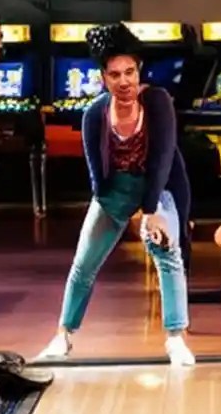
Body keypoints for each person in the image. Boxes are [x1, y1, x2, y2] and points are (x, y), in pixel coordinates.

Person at [36, 24, 196, 366]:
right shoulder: (94, 114)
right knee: (84, 263)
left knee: (168, 252)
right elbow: (97, 176)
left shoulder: (157, 102)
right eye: (114, 75)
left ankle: (176, 339)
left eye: (130, 72)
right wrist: (114, 213)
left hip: (159, 184)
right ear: (103, 78)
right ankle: (63, 336)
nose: (124, 82)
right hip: (114, 190)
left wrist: (151, 213)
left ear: (139, 72)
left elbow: (164, 157)